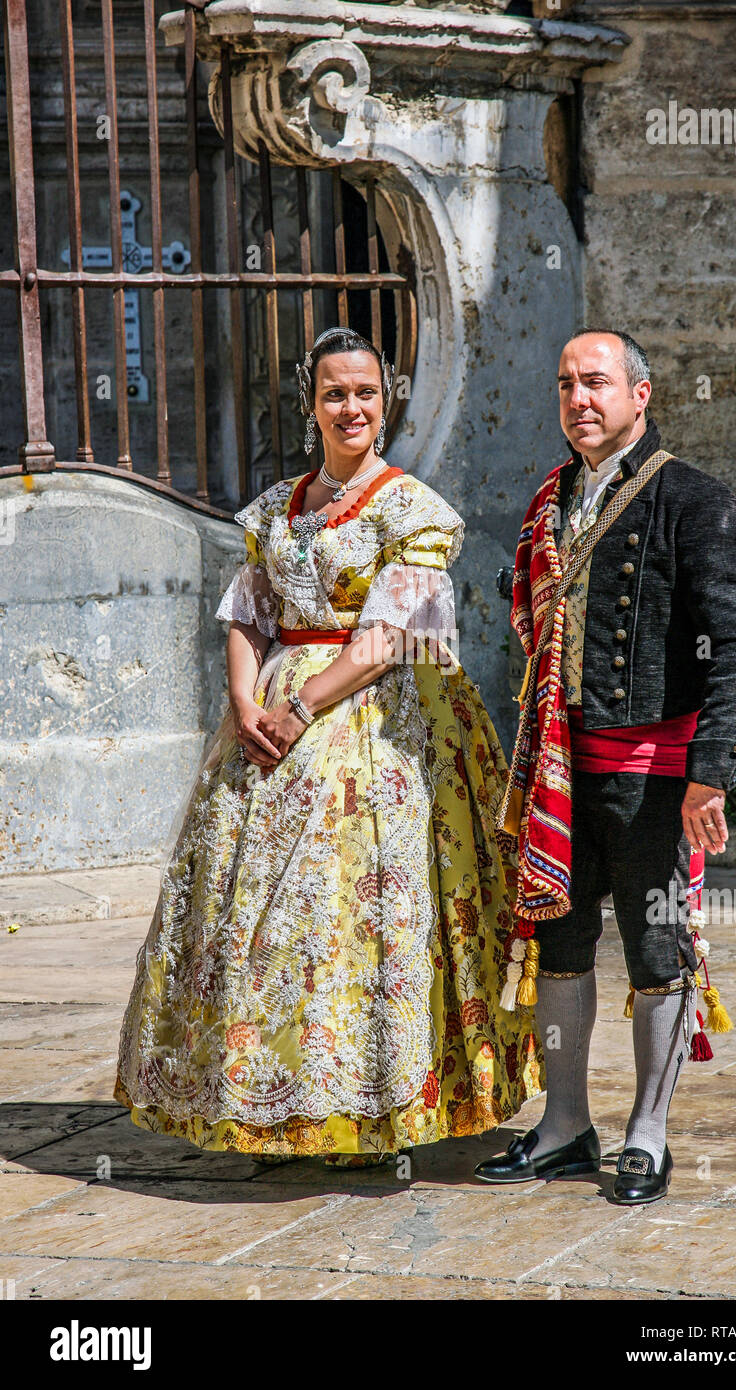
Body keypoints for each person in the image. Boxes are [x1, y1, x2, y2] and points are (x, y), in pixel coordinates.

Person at [114, 327, 541, 1163]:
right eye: (335, 393)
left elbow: (386, 639)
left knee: (359, 903)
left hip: (379, 719)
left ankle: (378, 1106)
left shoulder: (411, 509)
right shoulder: (277, 507)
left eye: (367, 393)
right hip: (271, 709)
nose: (353, 407)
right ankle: (263, 1095)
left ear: (388, 403)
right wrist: (244, 703)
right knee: (254, 910)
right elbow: (247, 611)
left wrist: (300, 707)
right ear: (311, 405)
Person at [475, 329, 736, 1202]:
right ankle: (564, 1127)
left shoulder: (694, 498)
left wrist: (711, 772)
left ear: (640, 394)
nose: (579, 399)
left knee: (654, 950)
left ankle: (647, 1130)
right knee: (558, 946)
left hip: (653, 780)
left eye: (595, 382)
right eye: (566, 384)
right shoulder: (549, 498)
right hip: (561, 777)